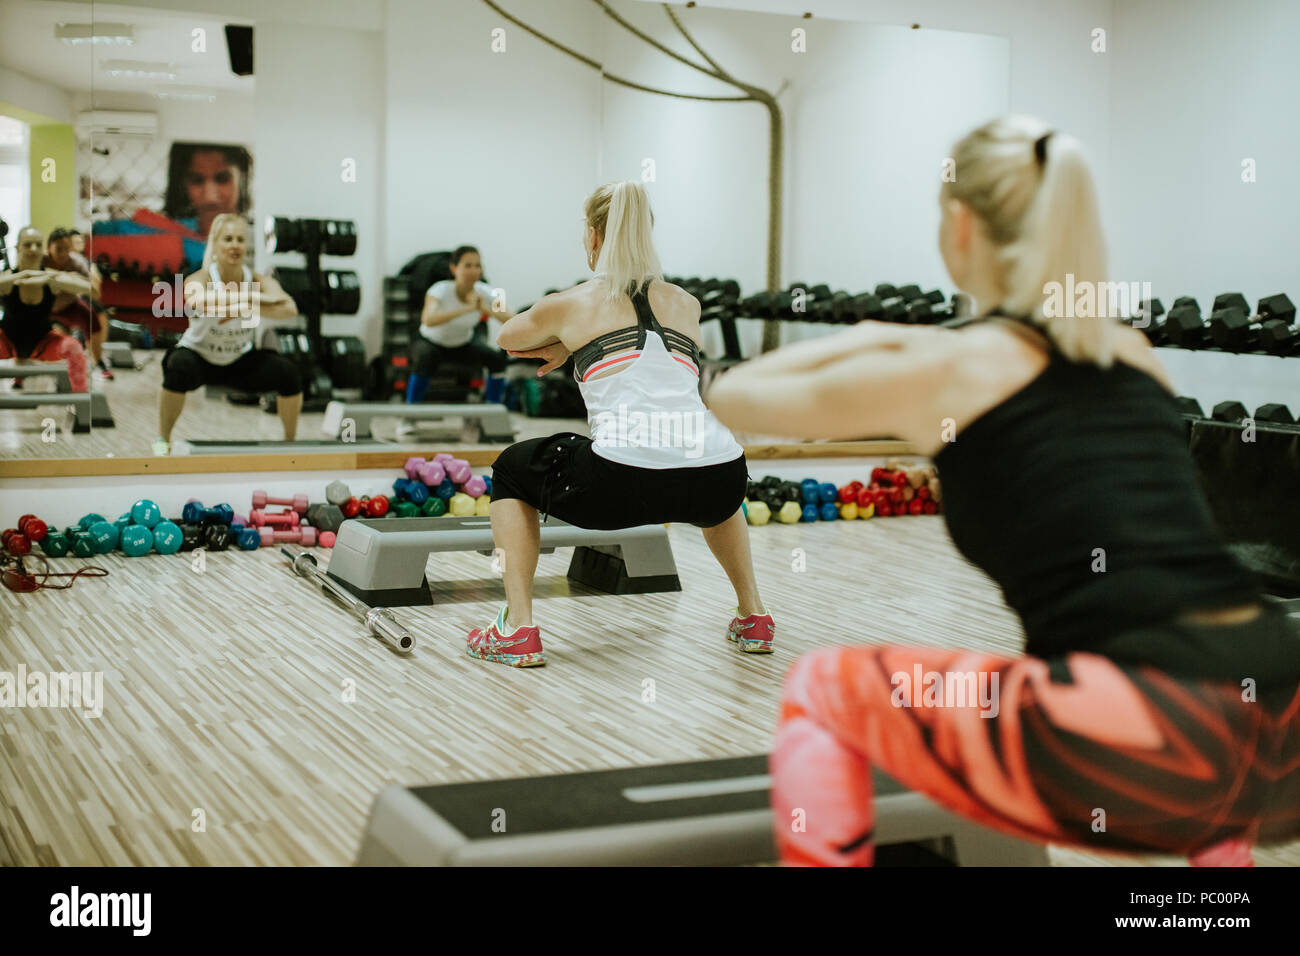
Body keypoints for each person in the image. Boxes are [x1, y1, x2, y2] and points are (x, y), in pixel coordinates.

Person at [706, 115, 1300, 867]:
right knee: (1202, 764)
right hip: (1276, 707)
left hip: (1133, 722)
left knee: (826, 687)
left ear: (960, 225)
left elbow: (739, 399)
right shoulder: (1132, 353)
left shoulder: (950, 368)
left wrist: (875, 337)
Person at [468, 182, 771, 668]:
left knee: (510, 467)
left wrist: (568, 340)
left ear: (593, 236)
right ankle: (753, 615)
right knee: (704, 451)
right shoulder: (687, 304)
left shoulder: (571, 303)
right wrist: (579, 343)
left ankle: (517, 629)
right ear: (647, 233)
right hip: (721, 478)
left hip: (618, 485)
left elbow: (509, 339)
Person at [155, 213, 301, 454]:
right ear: (216, 244)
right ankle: (162, 440)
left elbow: (289, 308)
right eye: (228, 239)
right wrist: (252, 299)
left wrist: (245, 300)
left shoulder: (256, 279)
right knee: (177, 366)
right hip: (199, 357)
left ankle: (290, 443)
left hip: (239, 360)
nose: (235, 245)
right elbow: (200, 302)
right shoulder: (200, 277)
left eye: (240, 240)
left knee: (289, 373)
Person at [405, 246, 512, 403]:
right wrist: (467, 308)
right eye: (467, 265)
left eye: (477, 265)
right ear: (454, 269)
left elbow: (511, 319)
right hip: (430, 342)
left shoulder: (488, 292)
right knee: (424, 358)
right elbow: (428, 319)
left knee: (496, 360)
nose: (473, 270)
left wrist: (484, 308)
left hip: (462, 343)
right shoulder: (439, 290)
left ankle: (494, 412)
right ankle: (409, 416)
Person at [0, 226, 91, 392]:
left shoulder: (51, 276)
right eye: (27, 245)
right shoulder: (7, 278)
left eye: (37, 245)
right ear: (18, 247)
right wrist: (20, 276)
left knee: (74, 347)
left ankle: (81, 406)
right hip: (7, 341)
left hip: (43, 343)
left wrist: (51, 278)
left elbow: (87, 287)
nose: (33, 249)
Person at [43, 227, 111, 379]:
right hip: (44, 308)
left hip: (69, 305)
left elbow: (95, 293)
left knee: (92, 318)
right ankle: (20, 373)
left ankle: (98, 361)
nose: (63, 254)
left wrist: (76, 280)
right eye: (58, 249)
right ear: (48, 249)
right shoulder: (41, 261)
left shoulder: (77, 262)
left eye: (66, 249)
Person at [162, 142, 252, 239]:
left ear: (242, 179)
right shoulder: (167, 237)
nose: (210, 198)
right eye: (197, 180)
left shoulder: (259, 238)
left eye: (222, 179)